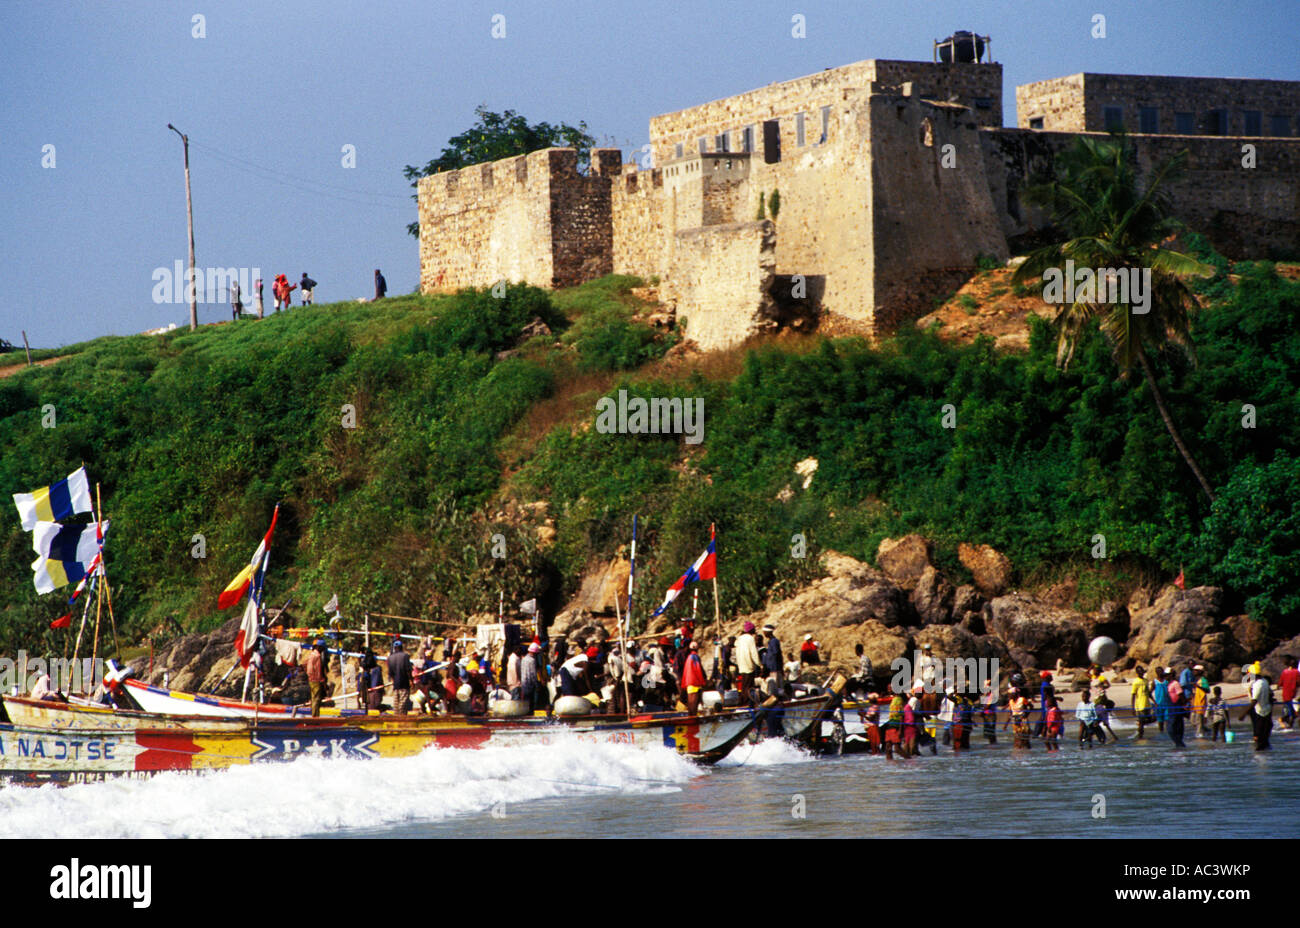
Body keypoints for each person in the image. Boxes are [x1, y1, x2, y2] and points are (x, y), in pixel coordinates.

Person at [1241, 667, 1273, 751]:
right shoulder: (1265, 682)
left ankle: (1260, 754)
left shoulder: (1257, 685)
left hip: (1259, 711)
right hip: (1267, 710)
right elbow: (1271, 694)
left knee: (1259, 734)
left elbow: (1254, 700)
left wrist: (1243, 714)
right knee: (1265, 735)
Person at [734, 621, 761, 704]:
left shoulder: (739, 638)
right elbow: (754, 653)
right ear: (751, 630)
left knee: (744, 685)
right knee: (749, 686)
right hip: (748, 665)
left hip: (741, 665)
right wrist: (759, 664)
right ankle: (747, 702)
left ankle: (742, 700)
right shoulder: (750, 638)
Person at [387, 638, 413, 715]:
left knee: (396, 702)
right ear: (402, 647)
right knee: (403, 702)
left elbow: (390, 673)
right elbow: (408, 670)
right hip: (404, 683)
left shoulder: (390, 658)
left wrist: (393, 681)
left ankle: (396, 717)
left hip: (396, 684)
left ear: (394, 648)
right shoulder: (405, 656)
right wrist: (411, 680)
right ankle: (402, 717)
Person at [682, 641, 707, 714]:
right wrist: (704, 680)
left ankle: (691, 718)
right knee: (694, 705)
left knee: (690, 703)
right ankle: (693, 720)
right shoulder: (695, 657)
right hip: (695, 683)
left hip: (689, 683)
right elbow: (699, 669)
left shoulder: (689, 658)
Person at [304, 639, 327, 717]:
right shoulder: (317, 656)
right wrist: (322, 680)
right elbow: (318, 669)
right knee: (316, 700)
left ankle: (315, 715)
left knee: (314, 698)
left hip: (311, 679)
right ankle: (315, 716)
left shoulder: (311, 655)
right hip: (316, 679)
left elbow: (305, 664)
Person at [1131, 667, 1154, 739]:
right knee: (1141, 722)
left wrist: (1154, 701)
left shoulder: (1146, 681)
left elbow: (1148, 693)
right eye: (1140, 672)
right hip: (1140, 706)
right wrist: (1133, 708)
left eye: (1143, 672)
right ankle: (1140, 737)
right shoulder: (1136, 682)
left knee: (1150, 720)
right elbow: (1133, 695)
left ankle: (1139, 726)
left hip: (1147, 704)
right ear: (1137, 673)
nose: (1142, 673)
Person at [1166, 675, 1187, 747]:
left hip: (1176, 706)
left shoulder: (1175, 683)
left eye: (1167, 675)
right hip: (1171, 707)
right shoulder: (1169, 684)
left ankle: (1179, 743)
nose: (1166, 677)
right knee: (1172, 727)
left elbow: (1181, 694)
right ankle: (1179, 743)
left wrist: (1184, 705)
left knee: (1173, 727)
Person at [1279, 656, 1298, 729]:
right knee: (1292, 712)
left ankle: (1288, 725)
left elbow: (1280, 683)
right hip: (1292, 695)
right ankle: (1288, 724)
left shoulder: (1284, 672)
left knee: (1289, 711)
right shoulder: (1296, 672)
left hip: (1286, 695)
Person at [1151, 667, 1170, 733]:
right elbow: (1149, 693)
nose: (1161, 673)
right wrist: (1154, 702)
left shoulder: (1166, 681)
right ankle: (1161, 733)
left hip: (1167, 704)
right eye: (1160, 672)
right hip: (1159, 704)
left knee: (1167, 720)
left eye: (1162, 671)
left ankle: (1168, 733)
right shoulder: (1155, 682)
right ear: (1157, 673)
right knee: (1160, 721)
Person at [980, 679, 998, 744]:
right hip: (986, 715)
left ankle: (993, 744)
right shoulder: (985, 695)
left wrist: (982, 711)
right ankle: (992, 744)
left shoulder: (992, 695)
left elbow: (987, 705)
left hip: (990, 715)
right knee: (988, 732)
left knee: (991, 732)